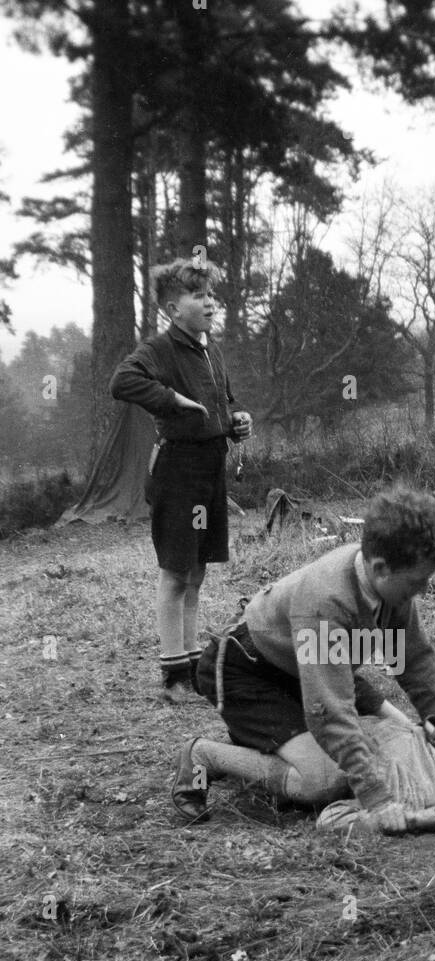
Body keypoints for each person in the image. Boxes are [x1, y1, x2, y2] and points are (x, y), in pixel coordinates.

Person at [171, 487, 435, 832]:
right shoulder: (326, 601)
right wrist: (378, 800)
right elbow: (330, 714)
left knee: (397, 732)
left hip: (311, 664)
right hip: (246, 670)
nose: (424, 590)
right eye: (419, 580)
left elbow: (413, 664)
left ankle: (274, 741)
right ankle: (204, 755)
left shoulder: (391, 589)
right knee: (321, 778)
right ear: (382, 568)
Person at [109, 258, 252, 704]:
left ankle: (191, 666)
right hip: (176, 472)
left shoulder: (212, 350)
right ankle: (173, 677)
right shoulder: (159, 349)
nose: (210, 302)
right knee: (175, 572)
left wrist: (238, 419)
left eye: (211, 294)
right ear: (174, 308)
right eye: (198, 295)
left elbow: (222, 405)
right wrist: (172, 399)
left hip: (210, 470)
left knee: (197, 570)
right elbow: (122, 381)